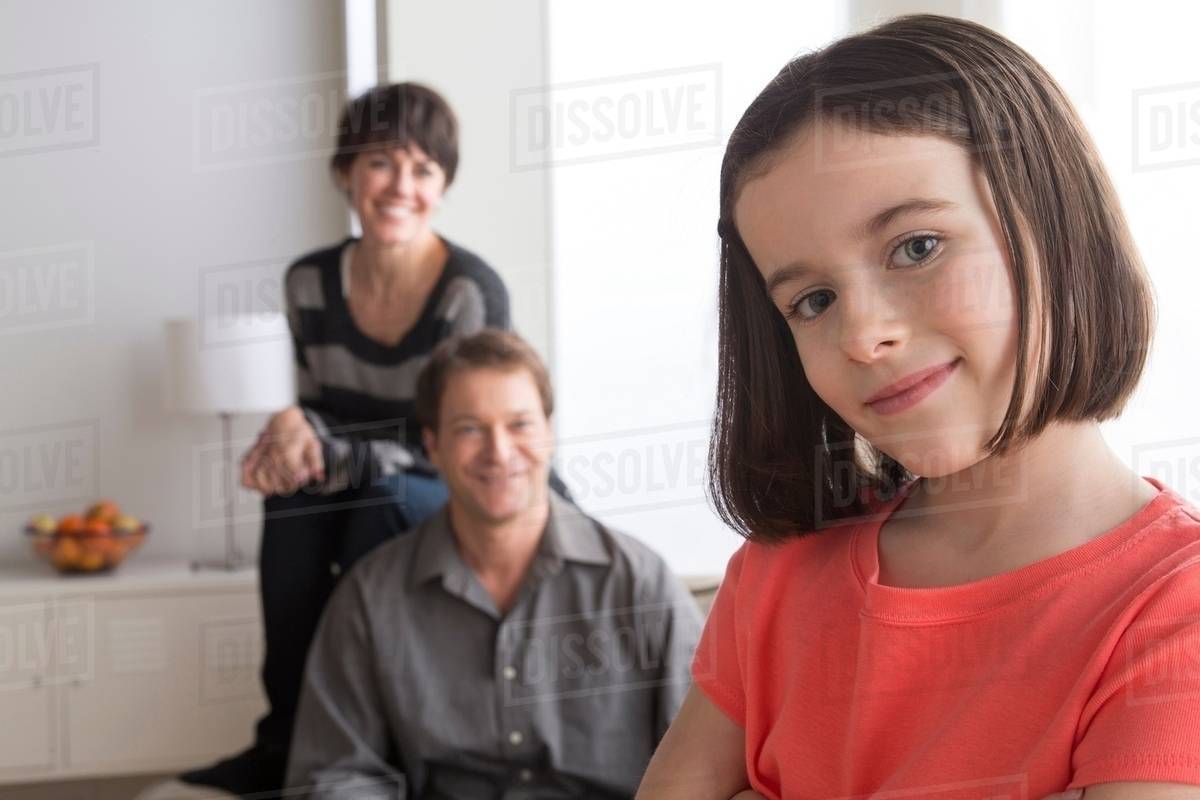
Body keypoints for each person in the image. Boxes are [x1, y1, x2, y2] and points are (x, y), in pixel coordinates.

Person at [637, 14, 1200, 800]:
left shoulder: (1179, 611)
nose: (864, 336)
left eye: (918, 247)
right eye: (814, 299)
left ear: (1056, 221)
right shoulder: (776, 580)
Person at [177, 82, 517, 798]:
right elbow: (315, 412)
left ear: (443, 187)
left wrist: (329, 450)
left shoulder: (468, 295)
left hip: (444, 483)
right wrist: (286, 443)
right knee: (291, 499)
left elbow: (461, 443)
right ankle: (284, 740)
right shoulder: (307, 283)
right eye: (381, 164)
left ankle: (365, 747)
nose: (401, 187)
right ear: (345, 173)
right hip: (359, 472)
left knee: (381, 500)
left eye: (423, 170)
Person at [284, 329, 703, 799]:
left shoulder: (639, 584)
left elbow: (705, 765)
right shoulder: (371, 598)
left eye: (520, 424)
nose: (499, 452)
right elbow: (335, 776)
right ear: (434, 447)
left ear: (548, 433)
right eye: (469, 428)